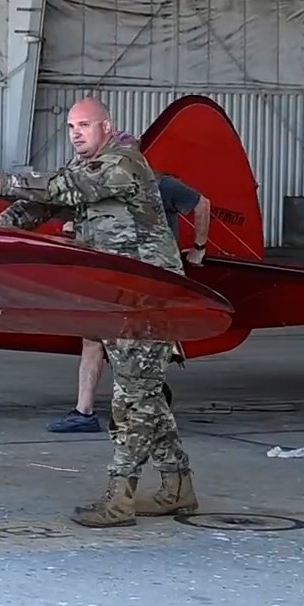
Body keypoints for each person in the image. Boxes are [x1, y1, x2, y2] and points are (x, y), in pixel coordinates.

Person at [0, 97, 196, 526]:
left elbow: (61, 188)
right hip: (116, 300)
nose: (75, 133)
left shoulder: (124, 163)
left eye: (84, 125)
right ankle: (178, 488)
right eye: (70, 127)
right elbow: (41, 205)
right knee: (146, 397)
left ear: (106, 127)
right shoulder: (84, 167)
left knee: (132, 403)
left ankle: (120, 499)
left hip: (148, 300)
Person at [50, 161, 210, 434]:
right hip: (115, 277)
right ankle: (84, 412)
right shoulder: (106, 188)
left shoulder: (163, 184)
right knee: (93, 339)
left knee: (137, 345)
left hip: (151, 279)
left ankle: (142, 411)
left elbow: (202, 203)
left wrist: (199, 248)